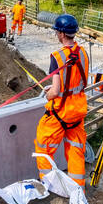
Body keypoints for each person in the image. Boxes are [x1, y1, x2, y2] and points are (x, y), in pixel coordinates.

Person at [34, 14, 89, 188]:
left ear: (62, 34)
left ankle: (49, 186)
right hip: (78, 110)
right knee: (75, 150)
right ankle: (78, 189)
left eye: (57, 32)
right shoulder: (83, 53)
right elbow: (79, 81)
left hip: (60, 112)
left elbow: (56, 91)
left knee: (43, 148)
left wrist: (48, 94)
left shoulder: (57, 57)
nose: (57, 34)